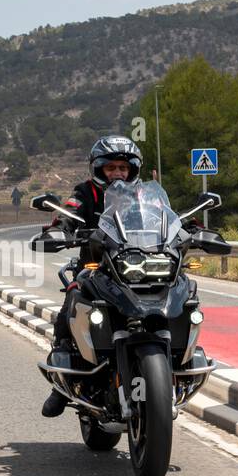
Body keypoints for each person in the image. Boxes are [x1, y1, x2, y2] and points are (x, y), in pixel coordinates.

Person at [41, 135, 142, 417]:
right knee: (70, 305)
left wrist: (190, 227)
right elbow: (69, 213)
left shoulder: (143, 194)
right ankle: (61, 385)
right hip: (96, 269)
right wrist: (59, 229)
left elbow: (165, 215)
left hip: (137, 269)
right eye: (111, 168)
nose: (118, 173)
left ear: (132, 170)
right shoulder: (85, 192)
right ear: (99, 170)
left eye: (123, 168)